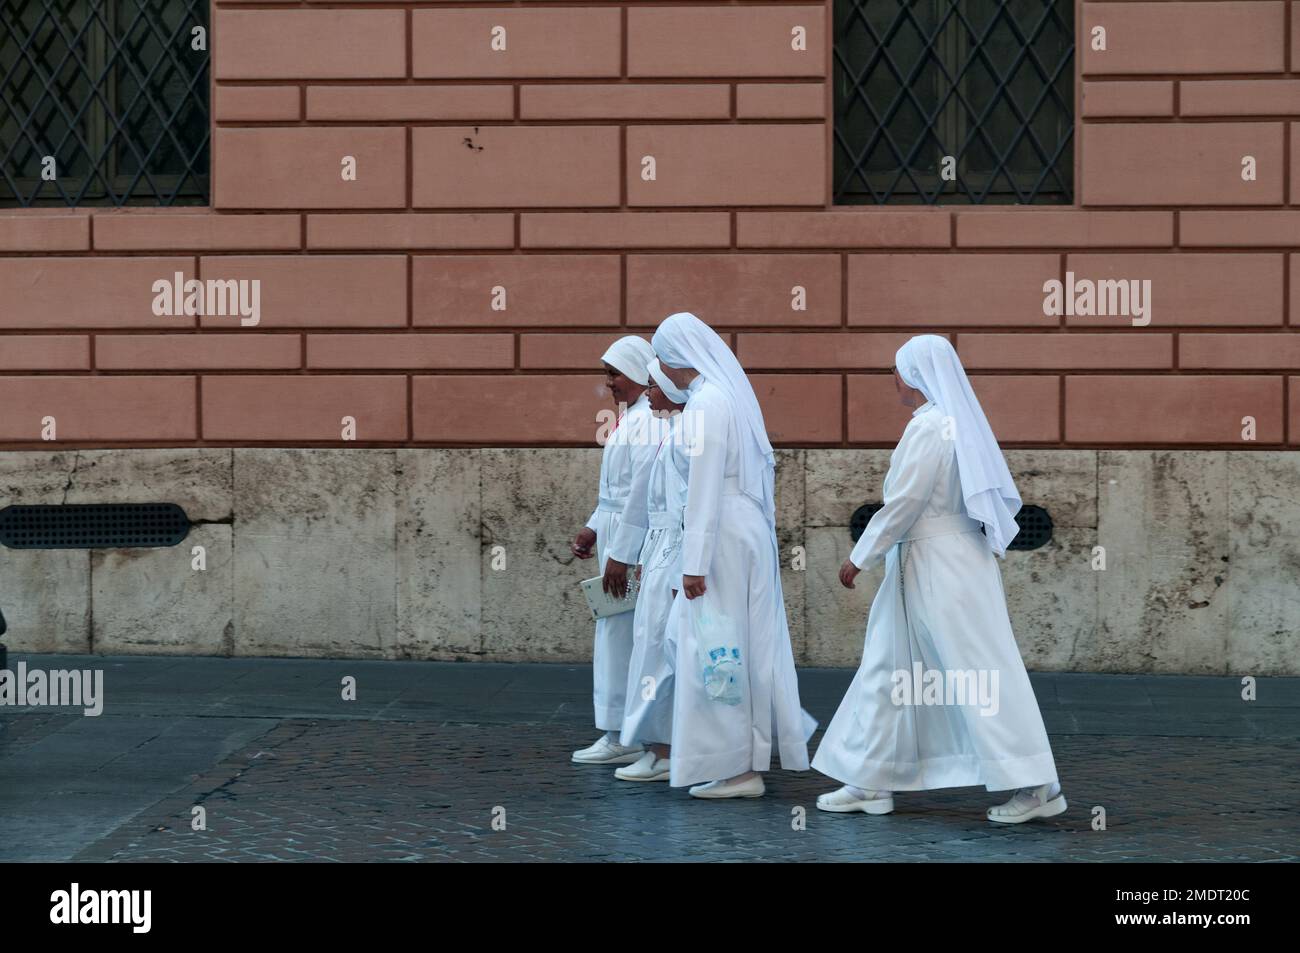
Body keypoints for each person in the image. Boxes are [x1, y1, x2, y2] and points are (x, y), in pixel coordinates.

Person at [812, 334, 1065, 823]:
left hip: (939, 566)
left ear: (914, 374)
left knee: (975, 673)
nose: (893, 378)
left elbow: (905, 501)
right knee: (888, 668)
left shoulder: (932, 428)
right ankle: (871, 779)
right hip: (934, 563)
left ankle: (1037, 785)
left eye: (896, 369)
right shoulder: (947, 423)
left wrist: (861, 555)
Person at [651, 311, 815, 799]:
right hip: (732, 532)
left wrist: (694, 564)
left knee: (713, 646)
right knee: (723, 644)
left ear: (677, 355)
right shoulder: (719, 398)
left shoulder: (707, 404)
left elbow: (704, 483)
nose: (657, 363)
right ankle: (737, 758)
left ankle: (736, 767)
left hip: (719, 535)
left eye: (660, 353)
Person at [570, 336, 658, 766]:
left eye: (615, 373)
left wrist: (621, 554)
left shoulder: (647, 422)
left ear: (639, 373)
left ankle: (625, 732)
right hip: (616, 534)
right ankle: (622, 729)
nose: (609, 383)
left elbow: (639, 497)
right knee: (616, 633)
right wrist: (592, 527)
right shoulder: (632, 418)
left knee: (621, 636)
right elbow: (615, 494)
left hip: (630, 541)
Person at [601, 359, 690, 782]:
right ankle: (658, 745)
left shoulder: (671, 429)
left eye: (656, 384)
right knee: (651, 647)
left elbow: (675, 505)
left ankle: (665, 749)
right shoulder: (667, 427)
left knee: (659, 649)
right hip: (658, 551)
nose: (651, 392)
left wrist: (684, 567)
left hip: (672, 553)